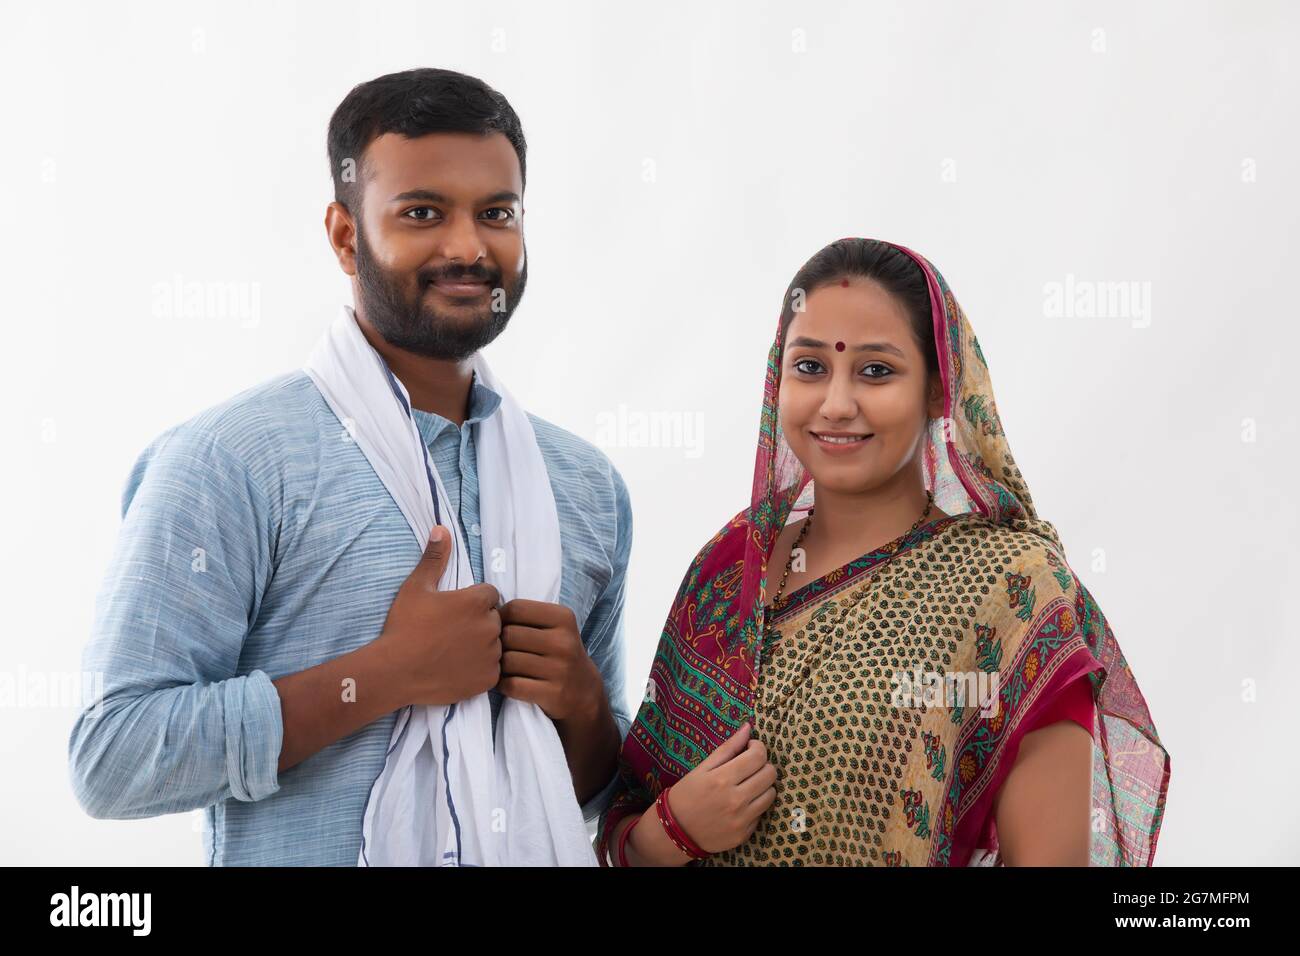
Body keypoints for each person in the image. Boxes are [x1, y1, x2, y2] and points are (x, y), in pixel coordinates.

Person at [68, 68, 632, 865]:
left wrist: (583, 708)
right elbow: (112, 758)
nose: (469, 247)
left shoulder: (584, 487)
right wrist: (384, 675)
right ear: (344, 235)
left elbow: (596, 800)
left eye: (496, 213)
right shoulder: (232, 459)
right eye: (423, 213)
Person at [597, 238, 1169, 866]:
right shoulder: (730, 567)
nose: (836, 405)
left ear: (936, 389)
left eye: (876, 371)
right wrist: (678, 828)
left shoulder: (1012, 595)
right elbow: (623, 836)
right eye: (809, 367)